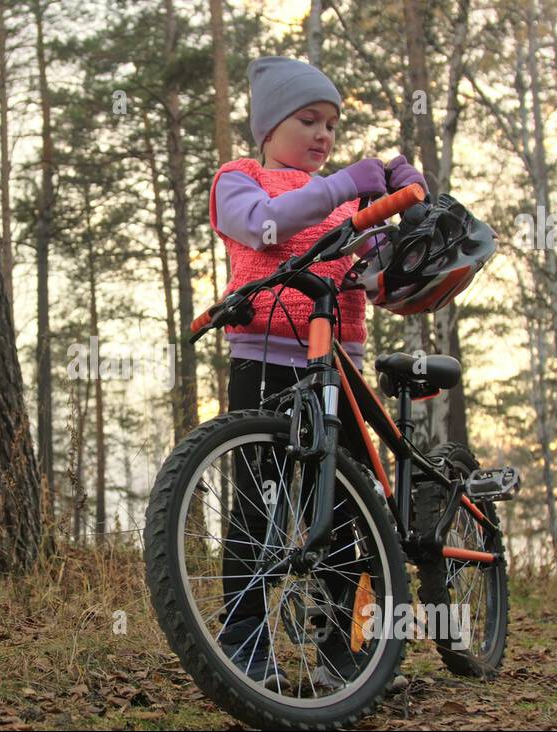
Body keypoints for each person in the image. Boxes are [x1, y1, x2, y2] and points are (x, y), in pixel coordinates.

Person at [208, 56, 427, 684]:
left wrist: (409, 206)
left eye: (331, 124)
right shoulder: (240, 178)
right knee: (257, 511)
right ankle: (246, 646)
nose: (324, 135)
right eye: (308, 119)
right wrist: (345, 187)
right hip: (266, 360)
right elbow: (261, 226)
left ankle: (342, 654)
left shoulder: (345, 205)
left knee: (343, 513)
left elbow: (383, 277)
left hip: (341, 371)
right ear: (268, 128)